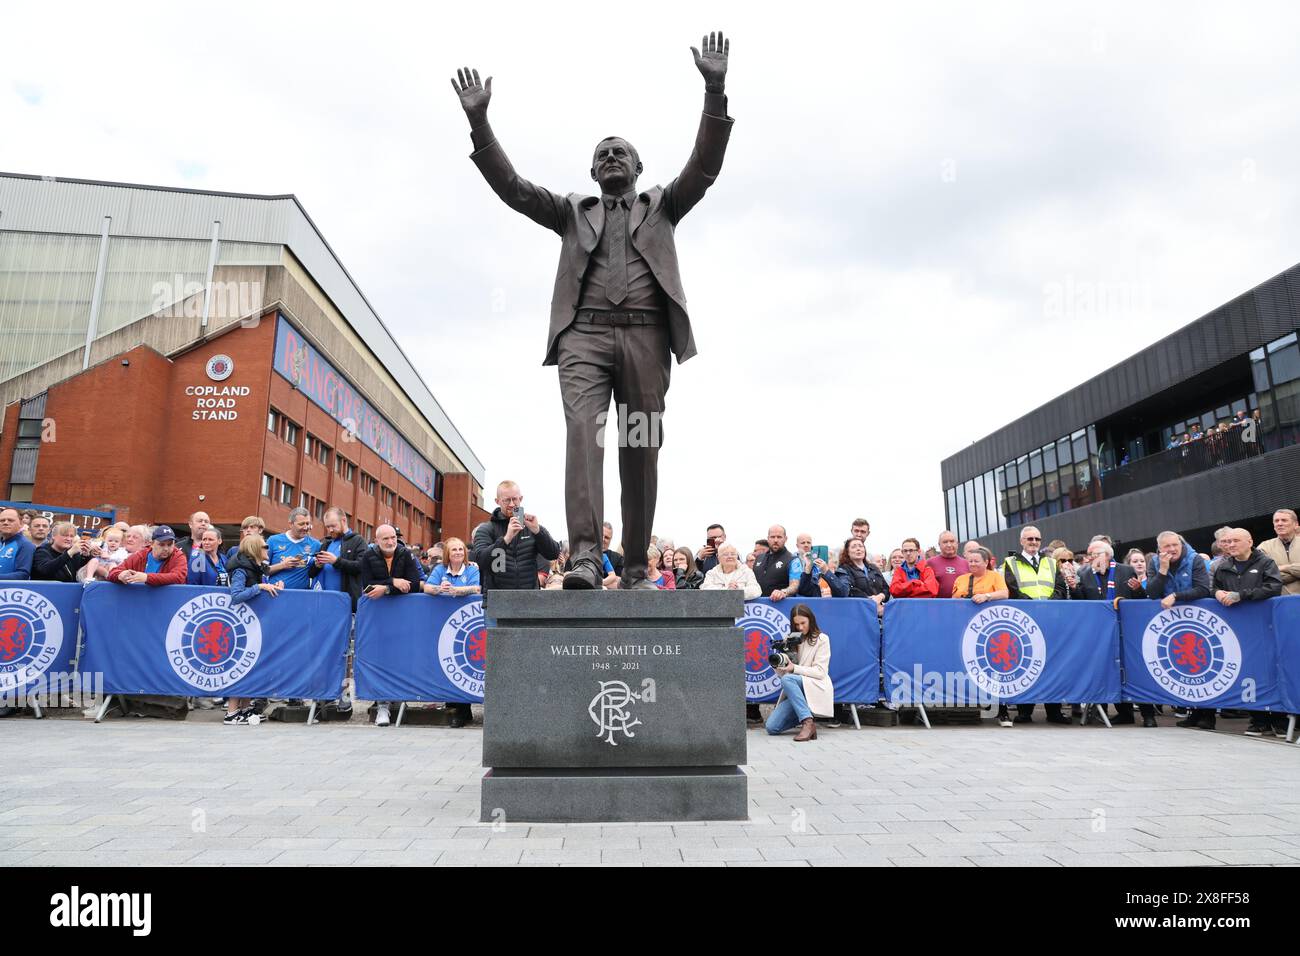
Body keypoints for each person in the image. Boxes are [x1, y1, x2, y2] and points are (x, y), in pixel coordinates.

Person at [453, 34, 733, 592]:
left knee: (639, 448)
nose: (610, 158)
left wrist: (714, 87)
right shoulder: (569, 212)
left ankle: (633, 568)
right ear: (591, 171)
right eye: (602, 153)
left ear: (637, 166)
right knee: (585, 436)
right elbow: (512, 189)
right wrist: (480, 124)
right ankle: (584, 559)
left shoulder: (664, 204)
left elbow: (704, 165)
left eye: (620, 152)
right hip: (583, 340)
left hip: (647, 341)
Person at [1213, 528, 1285, 737]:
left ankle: (1279, 721)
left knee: (1272, 671)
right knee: (1249, 671)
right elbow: (1212, 588)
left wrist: (1240, 595)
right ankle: (1258, 720)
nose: (1231, 544)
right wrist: (1216, 592)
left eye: (1236, 541)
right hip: (1238, 630)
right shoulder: (1223, 567)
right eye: (1229, 542)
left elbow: (1273, 587)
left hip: (1265, 626)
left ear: (1250, 541)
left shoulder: (1265, 562)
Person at [1000, 526, 1069, 724]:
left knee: (1052, 664)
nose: (1033, 542)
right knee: (1025, 664)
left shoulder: (1051, 562)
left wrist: (1048, 607)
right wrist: (1034, 608)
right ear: (1021, 541)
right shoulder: (1010, 562)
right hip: (1025, 621)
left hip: (1050, 620)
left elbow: (1059, 587)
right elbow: (1012, 588)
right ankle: (1024, 711)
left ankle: (1054, 711)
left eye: (1037, 539)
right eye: (1029, 538)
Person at [360, 525, 425, 728]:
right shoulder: (367, 557)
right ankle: (382, 706)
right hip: (378, 616)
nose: (390, 542)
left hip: (404, 614)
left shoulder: (406, 554)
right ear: (377, 540)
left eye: (393, 538)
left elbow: (414, 584)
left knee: (403, 655)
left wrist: (387, 588)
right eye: (386, 538)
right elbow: (368, 586)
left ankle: (401, 698)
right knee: (381, 658)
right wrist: (395, 581)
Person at [223, 533, 283, 724]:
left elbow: (260, 586)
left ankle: (246, 709)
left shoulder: (257, 567)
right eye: (265, 546)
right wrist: (260, 587)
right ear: (255, 549)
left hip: (252, 623)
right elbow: (237, 595)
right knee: (240, 667)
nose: (268, 549)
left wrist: (272, 585)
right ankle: (232, 713)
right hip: (239, 624)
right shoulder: (241, 569)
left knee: (250, 667)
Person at [423, 536, 482, 726]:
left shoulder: (472, 569)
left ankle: (464, 711)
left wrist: (459, 590)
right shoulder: (440, 569)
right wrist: (440, 588)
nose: (458, 552)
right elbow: (427, 588)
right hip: (443, 625)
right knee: (447, 664)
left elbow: (476, 587)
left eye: (460, 549)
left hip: (466, 626)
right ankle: (454, 708)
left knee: (464, 663)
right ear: (447, 553)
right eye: (454, 549)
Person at [471, 480, 561, 593]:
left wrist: (538, 532)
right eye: (507, 500)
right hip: (498, 598)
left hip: (529, 597)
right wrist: (506, 539)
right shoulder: (487, 529)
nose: (512, 504)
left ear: (521, 499)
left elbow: (553, 553)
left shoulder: (531, 527)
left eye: (515, 499)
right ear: (497, 501)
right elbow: (481, 561)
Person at [764, 604, 833, 742]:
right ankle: (803, 712)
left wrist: (793, 668)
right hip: (797, 689)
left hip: (815, 686)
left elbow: (820, 672)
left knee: (788, 680)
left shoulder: (822, 639)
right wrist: (778, 665)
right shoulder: (790, 639)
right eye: (797, 624)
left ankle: (808, 723)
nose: (800, 627)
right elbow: (783, 674)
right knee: (772, 727)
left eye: (803, 623)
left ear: (811, 620)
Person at [309, 508, 367, 610]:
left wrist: (336, 561)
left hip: (346, 602)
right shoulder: (325, 543)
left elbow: (361, 567)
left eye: (333, 526)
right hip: (324, 601)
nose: (330, 530)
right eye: (327, 526)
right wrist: (317, 566)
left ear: (343, 521)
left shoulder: (358, 540)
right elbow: (311, 574)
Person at [828, 538, 889, 617]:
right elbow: (849, 590)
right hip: (857, 613)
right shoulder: (843, 569)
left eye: (861, 546)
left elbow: (886, 588)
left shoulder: (874, 568)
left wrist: (880, 597)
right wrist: (870, 601)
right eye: (854, 547)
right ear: (847, 552)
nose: (858, 549)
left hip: (880, 612)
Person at [108, 526, 187, 585]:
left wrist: (146, 578)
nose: (166, 548)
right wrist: (120, 575)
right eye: (161, 545)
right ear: (152, 544)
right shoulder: (141, 555)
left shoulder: (178, 555)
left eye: (170, 545)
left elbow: (178, 577)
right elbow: (112, 573)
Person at [266, 508, 319, 591]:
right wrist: (282, 565)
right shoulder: (273, 541)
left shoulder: (316, 544)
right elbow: (261, 571)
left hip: (301, 597)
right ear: (290, 524)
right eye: (301, 524)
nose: (305, 527)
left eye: (307, 523)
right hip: (275, 595)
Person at [32, 522, 98, 582]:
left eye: (71, 536)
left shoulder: (73, 553)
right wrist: (69, 553)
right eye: (65, 535)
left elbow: (80, 570)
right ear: (53, 536)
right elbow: (45, 570)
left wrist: (86, 555)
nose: (69, 539)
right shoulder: (42, 551)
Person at [753, 525, 800, 602]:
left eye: (779, 537)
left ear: (785, 539)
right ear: (768, 538)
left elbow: (795, 585)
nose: (775, 540)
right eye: (772, 537)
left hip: (779, 609)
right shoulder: (759, 558)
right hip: (757, 608)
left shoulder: (793, 560)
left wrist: (783, 592)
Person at [1259, 508, 1300, 597]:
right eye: (1276, 521)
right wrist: (1296, 573)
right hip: (1280, 602)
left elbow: (1273, 575)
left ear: (1296, 524)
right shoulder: (1264, 547)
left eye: (1284, 520)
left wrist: (1283, 568)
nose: (1279, 524)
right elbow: (1262, 576)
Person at [925, 531, 969, 599]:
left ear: (957, 543)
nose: (949, 545)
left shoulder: (967, 564)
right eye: (945, 542)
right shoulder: (930, 563)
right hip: (938, 606)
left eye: (952, 541)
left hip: (962, 606)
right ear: (939, 544)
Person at [0, 507, 36, 580]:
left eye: (10, 520)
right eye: (2, 520)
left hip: (9, 590)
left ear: (21, 523)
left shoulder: (25, 545)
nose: (5, 523)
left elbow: (23, 575)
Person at [792, 532, 832, 598]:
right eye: (803, 543)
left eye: (808, 542)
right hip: (796, 598)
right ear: (797, 545)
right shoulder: (792, 560)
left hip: (815, 597)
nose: (806, 545)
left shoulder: (818, 561)